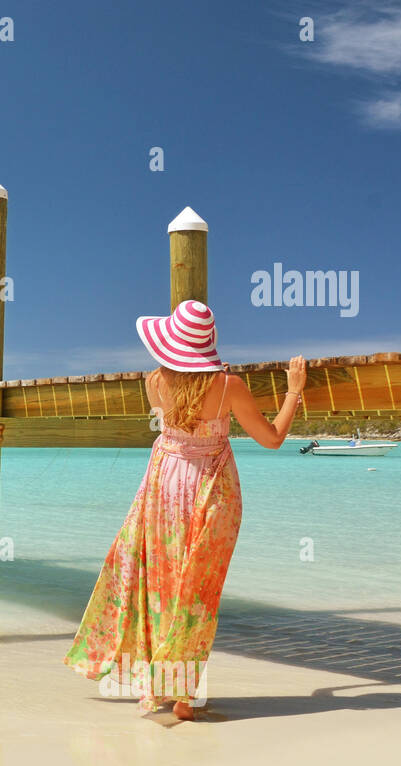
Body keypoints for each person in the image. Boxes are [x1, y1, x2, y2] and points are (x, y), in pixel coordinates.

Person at [63, 299, 308, 720]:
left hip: (164, 482)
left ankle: (161, 686)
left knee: (159, 586)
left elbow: (182, 418)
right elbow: (271, 439)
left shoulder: (154, 381)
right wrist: (294, 391)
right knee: (197, 591)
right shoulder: (229, 387)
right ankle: (182, 698)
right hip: (207, 489)